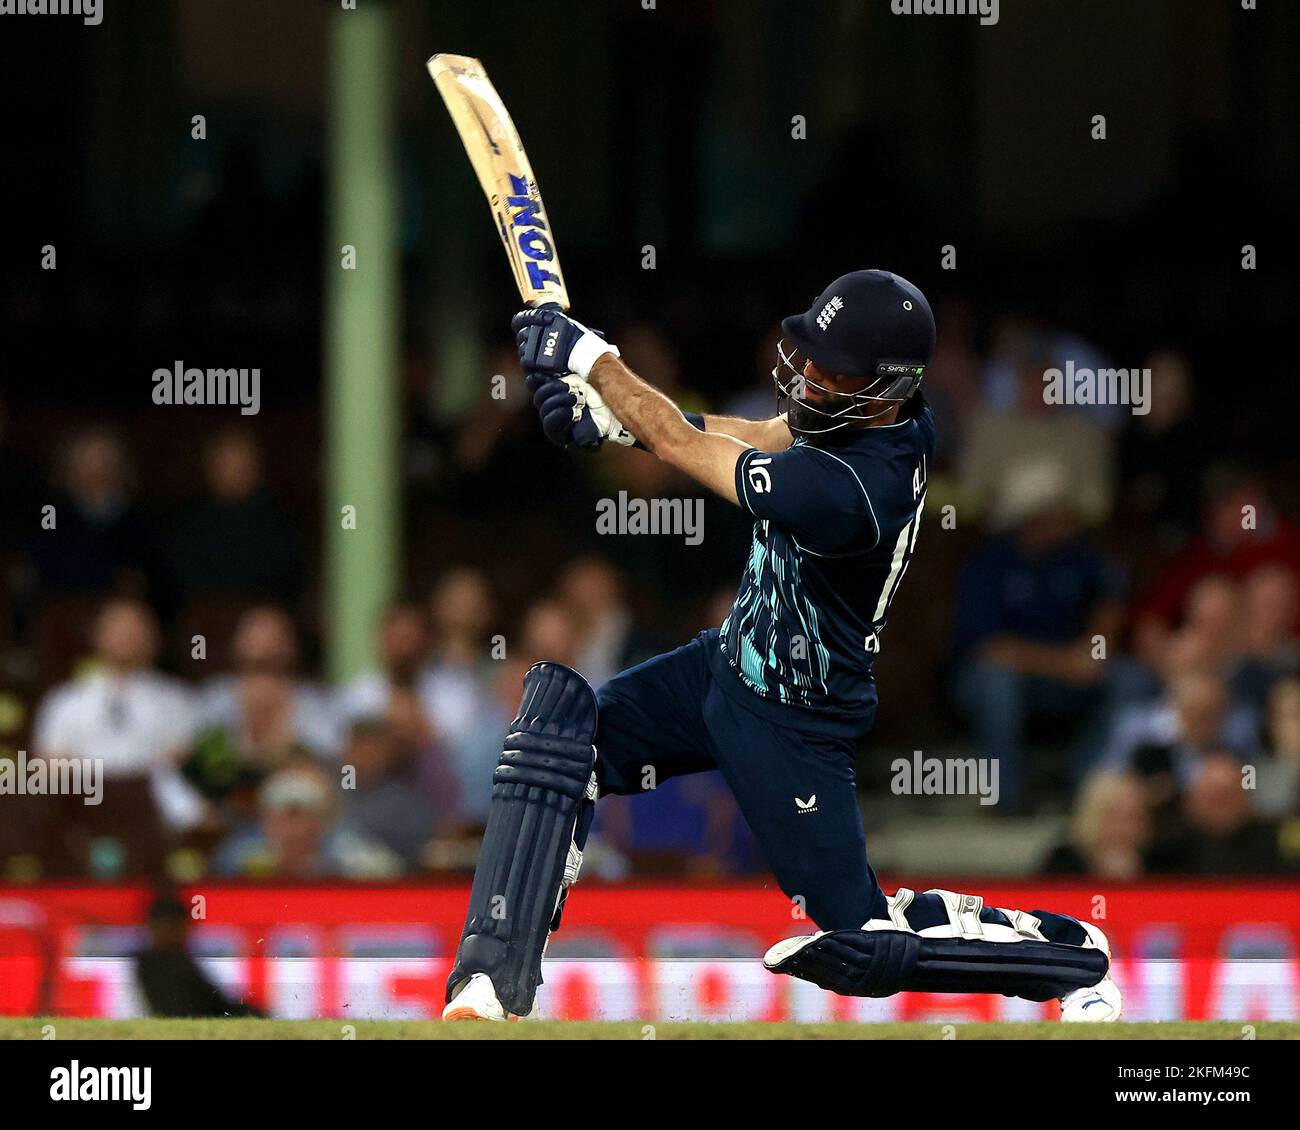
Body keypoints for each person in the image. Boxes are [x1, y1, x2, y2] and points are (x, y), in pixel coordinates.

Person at [441, 270, 1121, 1023]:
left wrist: (591, 362)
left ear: (887, 387)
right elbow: (761, 435)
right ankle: (490, 981)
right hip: (724, 666)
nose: (809, 377)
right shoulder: (875, 415)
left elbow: (680, 444)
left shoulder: (861, 492)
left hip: (793, 720)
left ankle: (1072, 955)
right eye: (812, 357)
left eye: (833, 371)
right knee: (559, 734)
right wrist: (612, 422)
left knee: (860, 942)